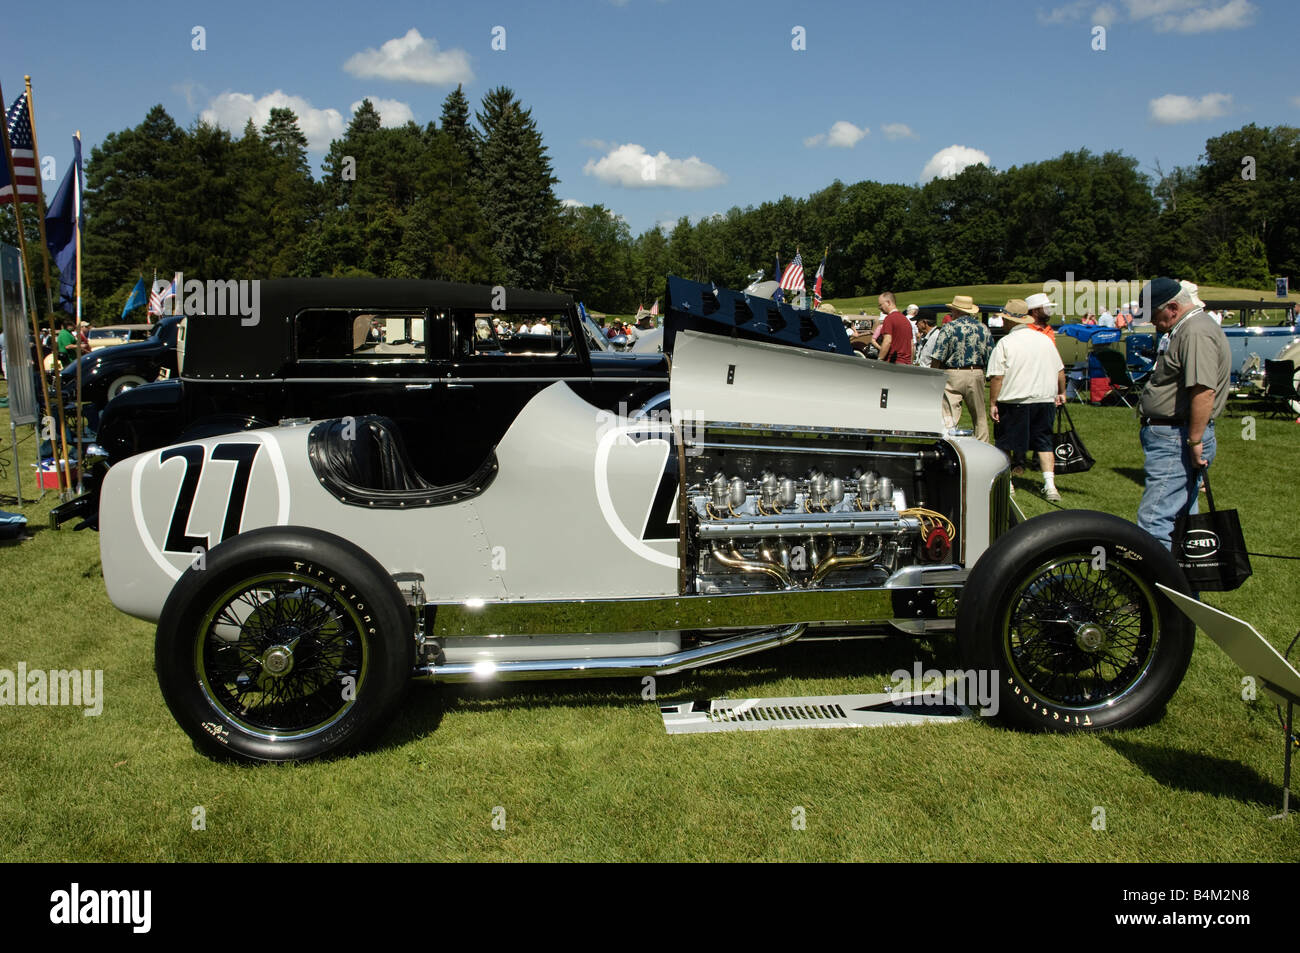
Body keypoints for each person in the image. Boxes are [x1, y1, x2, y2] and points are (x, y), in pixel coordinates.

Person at [1134, 277, 1231, 549]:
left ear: (1173, 308)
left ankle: (1157, 588)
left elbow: (1203, 390)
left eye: (1154, 315)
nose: (1152, 322)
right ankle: (1182, 588)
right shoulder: (1186, 329)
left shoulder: (1195, 331)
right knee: (1181, 520)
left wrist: (1195, 439)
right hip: (1175, 434)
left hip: (1177, 435)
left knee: (1155, 523)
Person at [986, 300, 1067, 500]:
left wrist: (993, 402)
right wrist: (1061, 392)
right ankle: (1050, 485)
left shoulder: (1005, 343)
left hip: (1015, 398)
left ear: (1010, 321)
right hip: (1044, 398)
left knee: (1005, 442)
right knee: (1044, 443)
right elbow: (1060, 371)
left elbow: (997, 376)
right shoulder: (1045, 340)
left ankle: (1008, 483)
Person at [928, 294, 992, 442]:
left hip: (952, 373)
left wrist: (934, 374)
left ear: (955, 311)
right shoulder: (983, 328)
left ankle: (949, 443)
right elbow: (990, 354)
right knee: (979, 415)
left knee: (949, 414)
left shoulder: (949, 327)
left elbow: (938, 355)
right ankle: (983, 446)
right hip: (976, 372)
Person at [875, 291, 913, 364]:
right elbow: (911, 345)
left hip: (893, 364)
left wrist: (879, 360)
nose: (879, 308)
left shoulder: (889, 318)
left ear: (888, 302)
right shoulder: (906, 320)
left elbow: (887, 341)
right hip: (906, 364)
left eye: (880, 305)